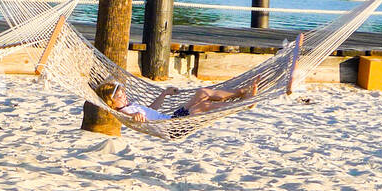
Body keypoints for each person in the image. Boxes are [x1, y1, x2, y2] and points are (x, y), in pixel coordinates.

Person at [97, 76, 260, 123]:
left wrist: (164, 94)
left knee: (202, 92)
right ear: (111, 102)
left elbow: (151, 110)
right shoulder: (124, 111)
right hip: (172, 126)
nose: (123, 97)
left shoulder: (130, 105)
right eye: (119, 97)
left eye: (123, 93)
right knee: (205, 105)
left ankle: (241, 92)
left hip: (172, 118)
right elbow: (131, 117)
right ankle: (244, 104)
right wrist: (134, 117)